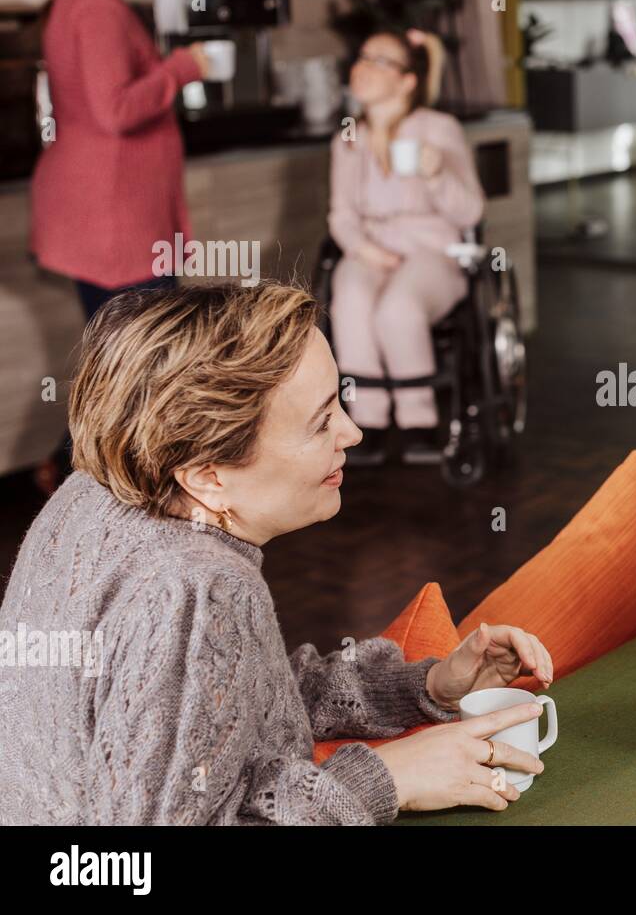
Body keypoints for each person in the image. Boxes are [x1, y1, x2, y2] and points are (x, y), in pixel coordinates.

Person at [0, 283, 555, 824]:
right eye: (320, 423)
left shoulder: (92, 490)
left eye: (340, 401)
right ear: (208, 477)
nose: (354, 433)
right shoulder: (198, 586)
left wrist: (422, 687)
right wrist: (387, 778)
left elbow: (216, 707)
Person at [29, 0, 208, 494]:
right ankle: (81, 472)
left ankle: (74, 467)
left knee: (121, 351)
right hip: (115, 213)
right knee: (148, 346)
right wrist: (182, 67)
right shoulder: (95, 5)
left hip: (105, 207)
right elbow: (115, 109)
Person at [328, 29, 485, 466]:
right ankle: (368, 420)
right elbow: (340, 214)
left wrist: (437, 174)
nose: (363, 67)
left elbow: (470, 211)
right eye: (362, 56)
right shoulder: (347, 138)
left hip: (431, 250)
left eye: (380, 61)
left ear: (407, 80)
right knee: (352, 302)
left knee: (398, 308)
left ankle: (418, 419)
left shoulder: (439, 129)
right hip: (369, 248)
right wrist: (363, 249)